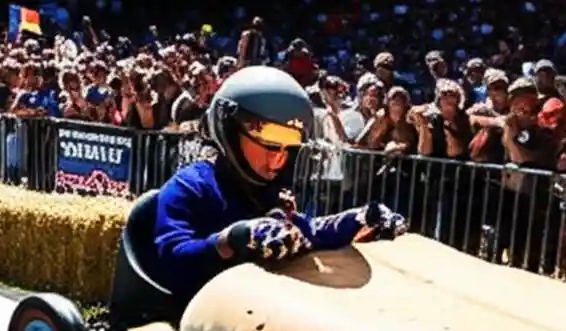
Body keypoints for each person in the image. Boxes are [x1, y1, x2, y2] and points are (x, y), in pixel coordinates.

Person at [151, 66, 407, 306]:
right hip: (194, 321)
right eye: (269, 143)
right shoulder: (189, 186)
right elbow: (171, 262)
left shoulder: (270, 196)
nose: (279, 158)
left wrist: (360, 218)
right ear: (229, 130)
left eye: (288, 146)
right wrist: (231, 239)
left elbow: (310, 232)